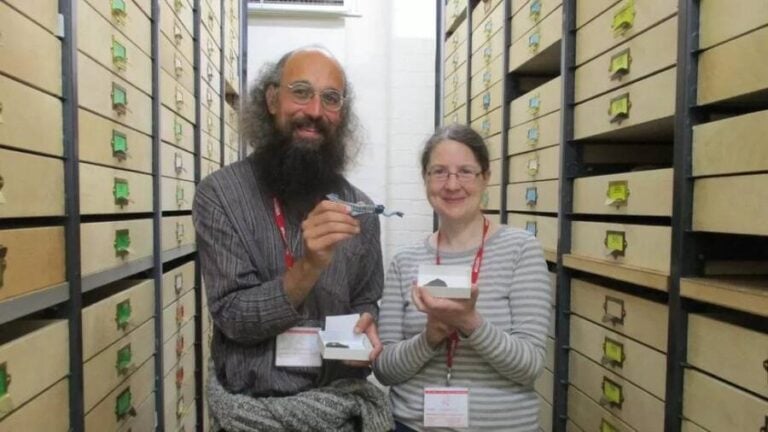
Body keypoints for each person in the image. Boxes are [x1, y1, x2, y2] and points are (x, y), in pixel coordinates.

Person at [193, 46, 393, 432]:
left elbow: (367, 298)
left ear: (342, 114)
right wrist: (309, 266)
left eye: (330, 99)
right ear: (271, 99)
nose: (315, 111)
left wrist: (367, 324)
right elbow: (233, 317)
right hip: (250, 416)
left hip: (336, 413)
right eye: (300, 92)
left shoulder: (359, 208)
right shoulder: (220, 195)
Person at [372, 124, 552, 431]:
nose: (452, 184)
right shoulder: (405, 261)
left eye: (465, 171)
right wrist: (430, 336)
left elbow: (530, 366)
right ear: (425, 179)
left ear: (486, 177)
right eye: (439, 171)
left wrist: (469, 322)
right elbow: (385, 370)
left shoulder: (521, 250)